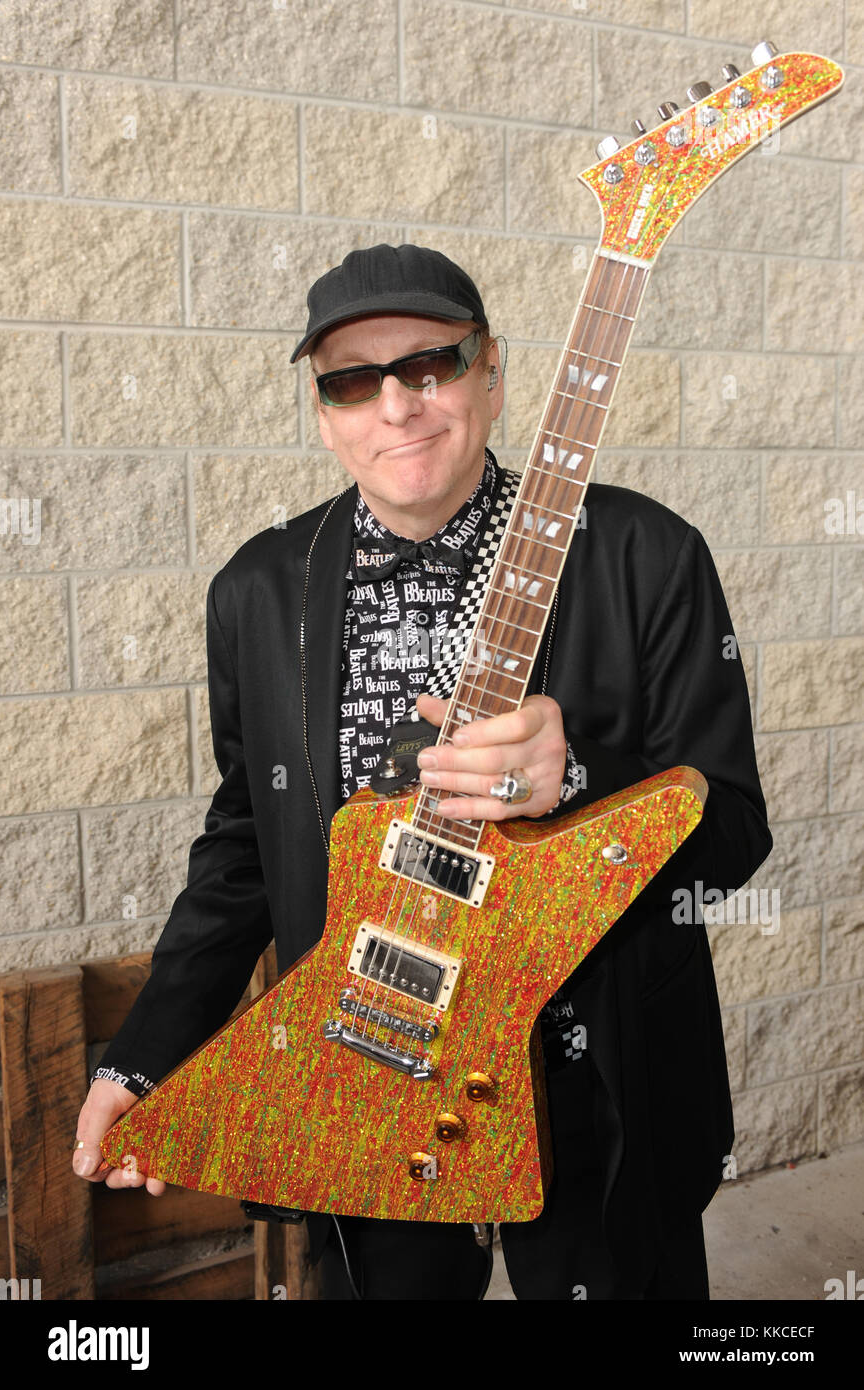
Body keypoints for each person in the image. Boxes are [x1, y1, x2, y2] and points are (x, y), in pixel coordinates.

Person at [72, 243, 772, 1300]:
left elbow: (732, 833)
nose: (395, 404)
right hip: (361, 1076)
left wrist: (578, 777)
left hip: (597, 1090)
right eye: (352, 379)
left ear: (491, 374)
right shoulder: (259, 592)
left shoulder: (646, 553)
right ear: (323, 413)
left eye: (430, 365)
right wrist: (140, 1059)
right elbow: (240, 854)